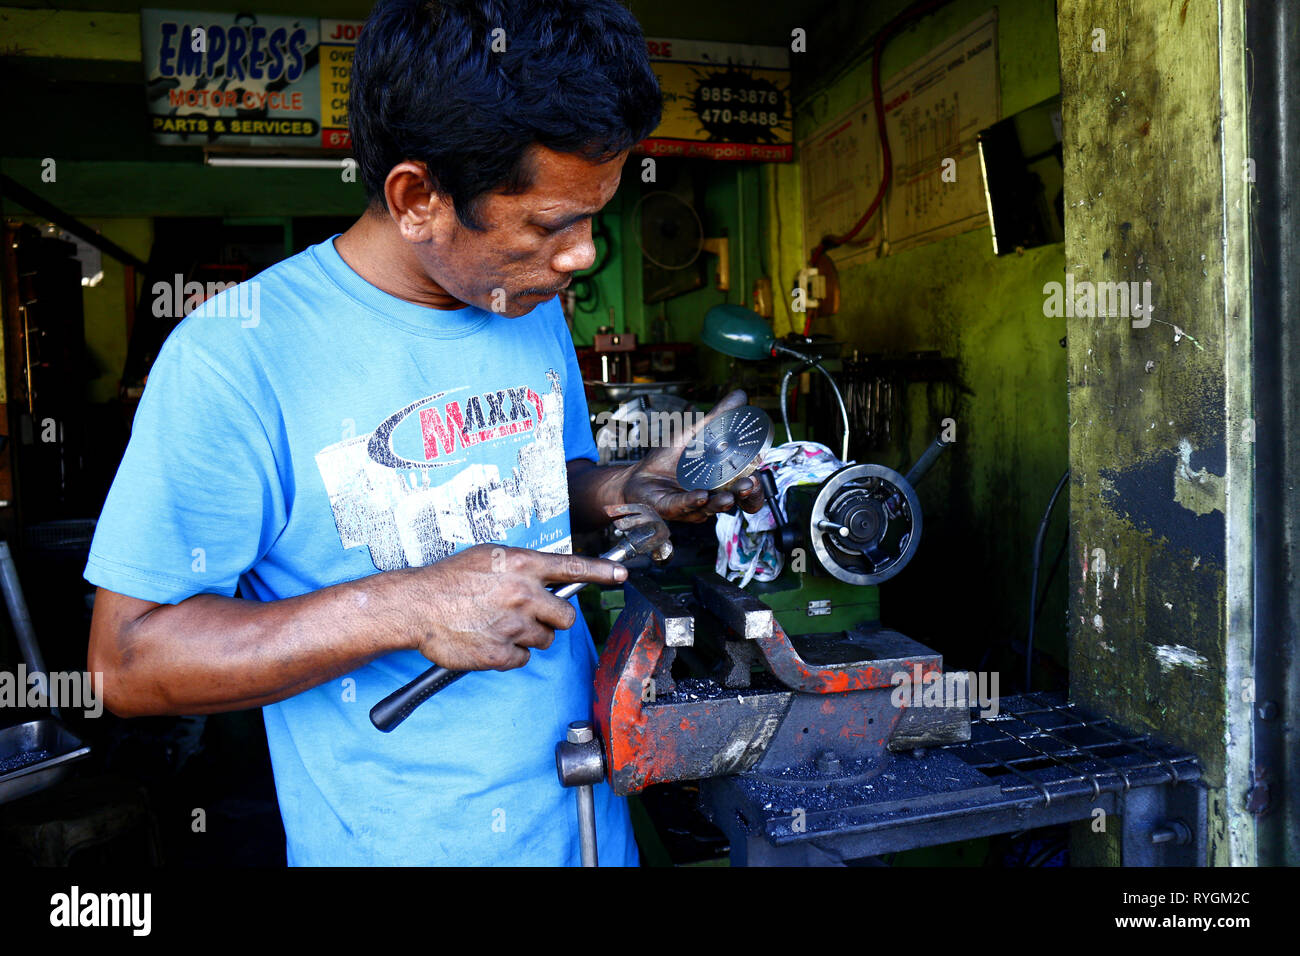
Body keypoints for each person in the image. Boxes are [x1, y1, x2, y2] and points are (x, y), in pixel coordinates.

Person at [84, 0, 763, 866]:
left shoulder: (521, 298)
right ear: (416, 199)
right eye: (552, 223)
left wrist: (622, 490)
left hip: (588, 830)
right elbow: (126, 660)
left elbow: (531, 493)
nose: (583, 256)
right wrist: (404, 606)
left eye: (596, 214)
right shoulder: (235, 357)